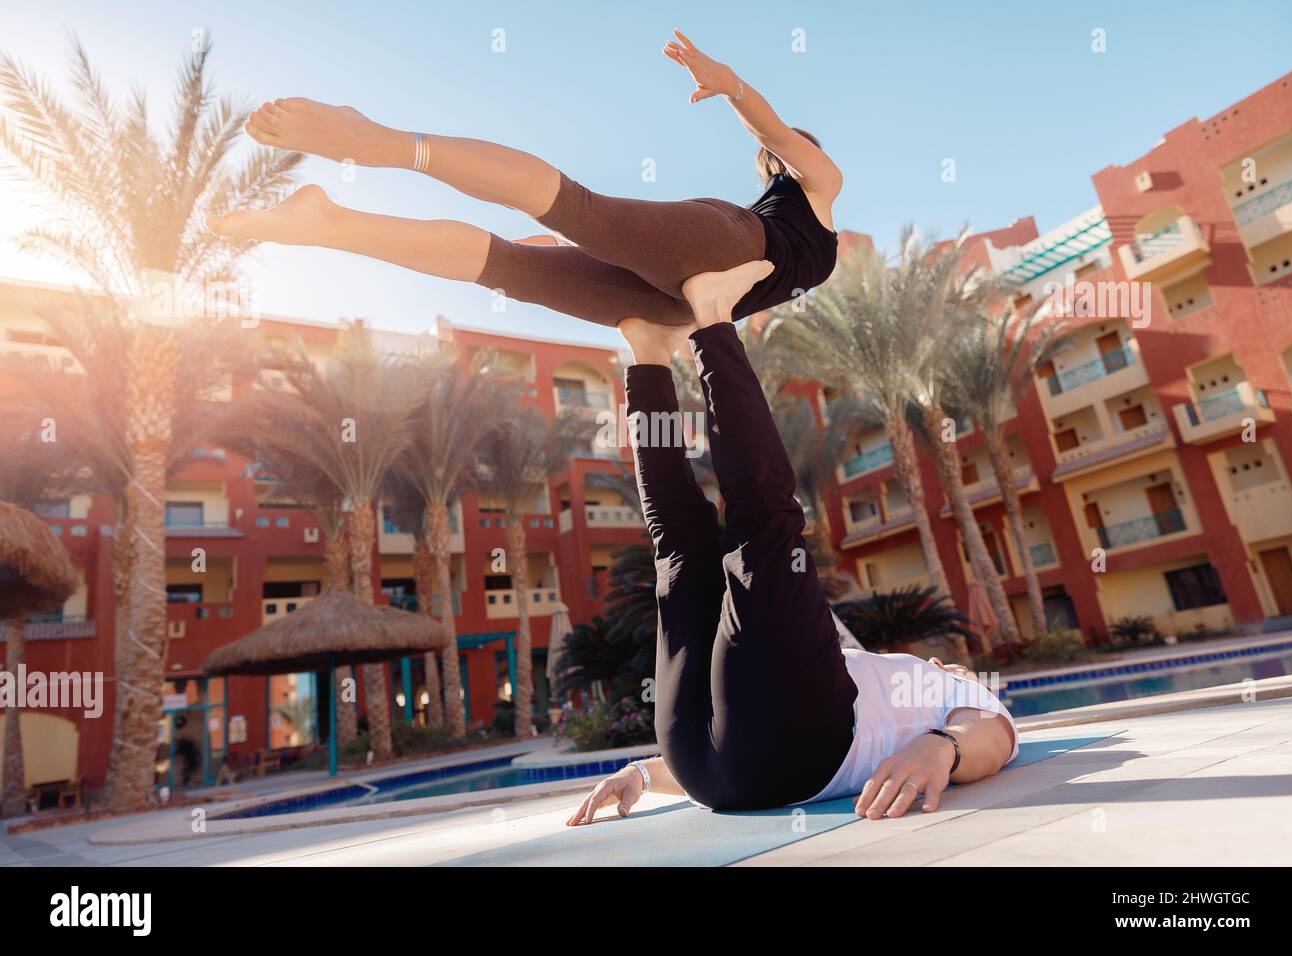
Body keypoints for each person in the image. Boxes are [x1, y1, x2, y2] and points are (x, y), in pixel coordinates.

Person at [565, 291, 1019, 824]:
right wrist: (641, 775)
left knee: (765, 525)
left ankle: (711, 320)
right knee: (681, 544)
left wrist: (940, 748)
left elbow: (995, 736)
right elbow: (736, 724)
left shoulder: (962, 695)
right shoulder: (882, 672)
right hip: (703, 764)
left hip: (789, 755)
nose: (952, 664)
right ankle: (648, 355)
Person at [207, 31, 841, 329]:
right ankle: (379, 141)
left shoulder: (815, 195)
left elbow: (782, 144)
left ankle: (331, 225)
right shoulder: (804, 188)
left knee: (512, 270)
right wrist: (731, 84)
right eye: (770, 164)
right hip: (730, 244)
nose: (775, 162)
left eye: (776, 163)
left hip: (685, 306)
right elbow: (777, 136)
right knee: (581, 212)